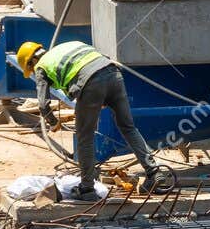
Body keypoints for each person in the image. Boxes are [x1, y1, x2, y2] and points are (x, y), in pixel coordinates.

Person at [15, 40, 162, 188]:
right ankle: (154, 172)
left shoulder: (41, 66)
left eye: (32, 70)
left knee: (85, 136)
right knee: (128, 127)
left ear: (32, 61)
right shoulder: (66, 46)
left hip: (90, 82)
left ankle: (87, 188)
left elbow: (42, 105)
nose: (34, 72)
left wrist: (53, 123)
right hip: (113, 74)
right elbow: (97, 63)